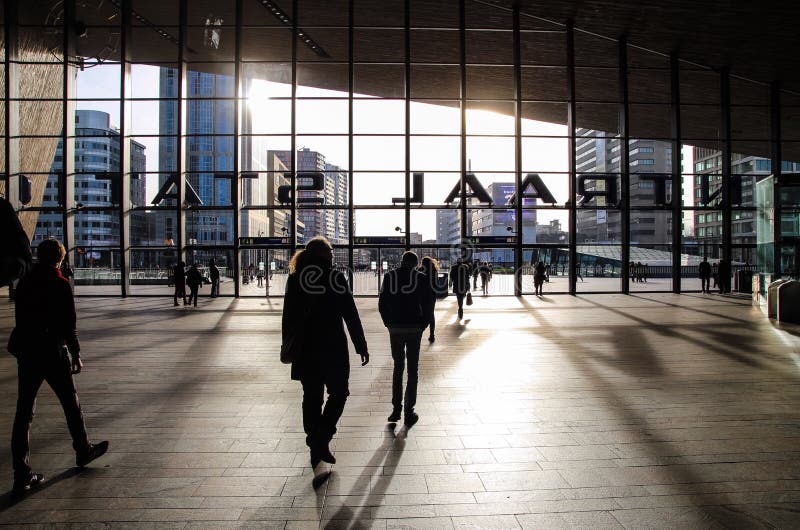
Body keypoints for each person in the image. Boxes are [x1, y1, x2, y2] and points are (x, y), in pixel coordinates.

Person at [8, 239, 108, 493]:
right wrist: (76, 354)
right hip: (52, 352)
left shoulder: (25, 284)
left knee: (24, 412)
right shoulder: (60, 284)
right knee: (70, 404)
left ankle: (22, 472)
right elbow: (68, 324)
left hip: (28, 352)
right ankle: (83, 449)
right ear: (60, 258)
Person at [282, 236, 369, 468]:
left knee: (311, 396)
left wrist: (287, 346)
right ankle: (320, 438)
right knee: (339, 393)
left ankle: (315, 441)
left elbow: (288, 318)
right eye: (330, 250)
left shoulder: (295, 279)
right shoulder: (335, 277)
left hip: (305, 350)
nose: (332, 253)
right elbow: (350, 313)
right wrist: (360, 345)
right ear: (322, 253)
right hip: (333, 348)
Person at [379, 251, 432, 427]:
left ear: (402, 261)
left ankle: (396, 409)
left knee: (398, 367)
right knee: (412, 370)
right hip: (414, 327)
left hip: (395, 328)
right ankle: (409, 411)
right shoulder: (422, 278)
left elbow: (382, 302)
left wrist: (388, 323)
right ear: (416, 264)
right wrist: (423, 325)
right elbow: (429, 304)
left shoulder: (389, 276)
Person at [419, 256, 440, 343]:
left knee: (420, 312)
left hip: (421, 295)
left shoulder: (420, 270)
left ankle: (420, 331)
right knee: (431, 313)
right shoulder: (434, 270)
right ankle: (432, 334)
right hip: (431, 295)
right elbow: (436, 283)